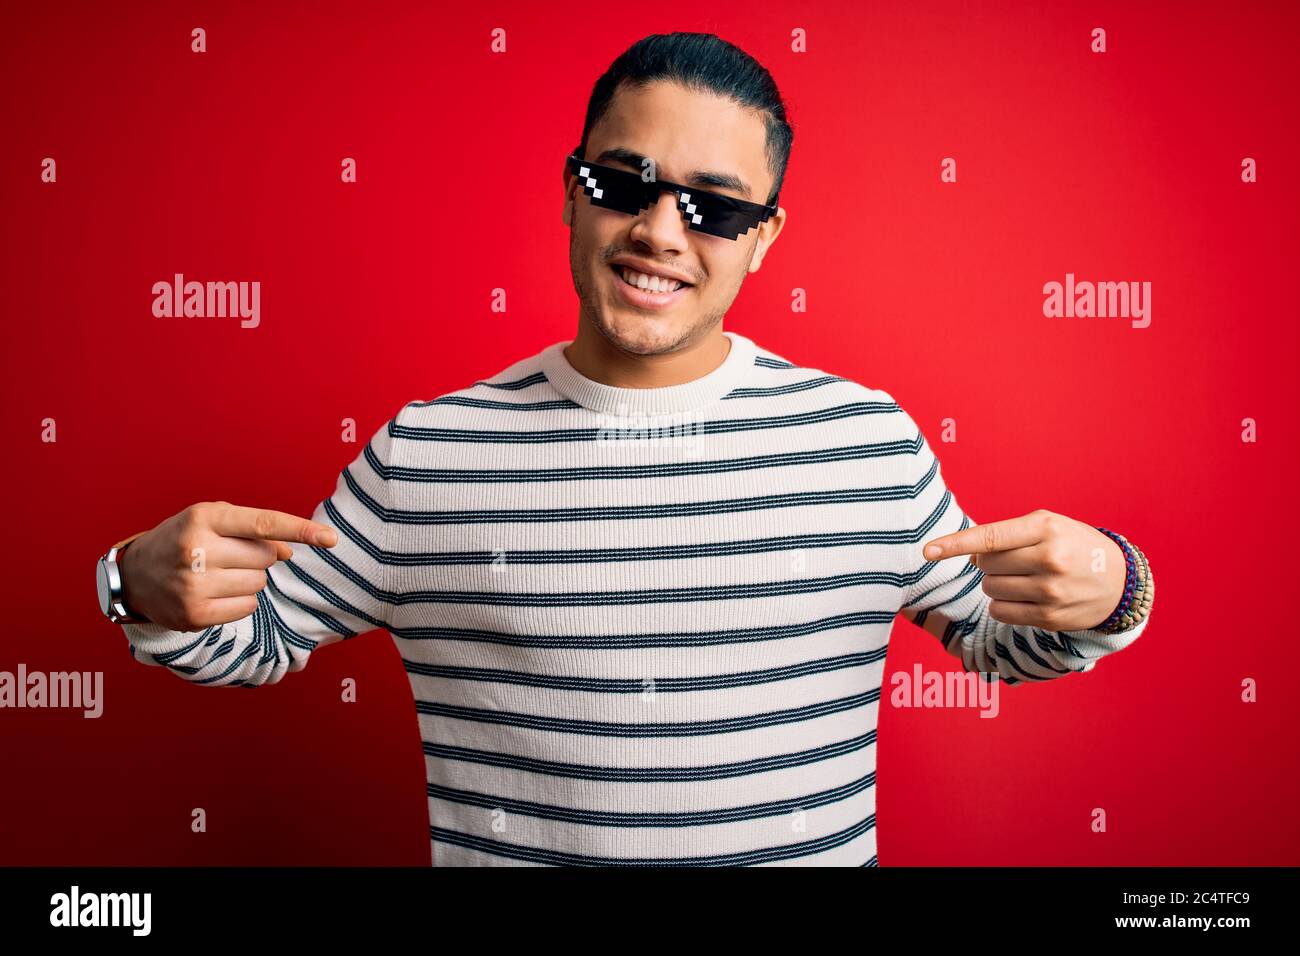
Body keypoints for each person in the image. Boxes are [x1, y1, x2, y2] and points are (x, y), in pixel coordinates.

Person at [94, 32, 1154, 866]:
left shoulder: (866, 442)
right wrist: (133, 581)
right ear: (570, 190)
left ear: (764, 235)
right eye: (623, 182)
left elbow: (998, 643)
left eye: (715, 205)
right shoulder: (429, 451)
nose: (660, 228)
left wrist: (1113, 584)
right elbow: (251, 642)